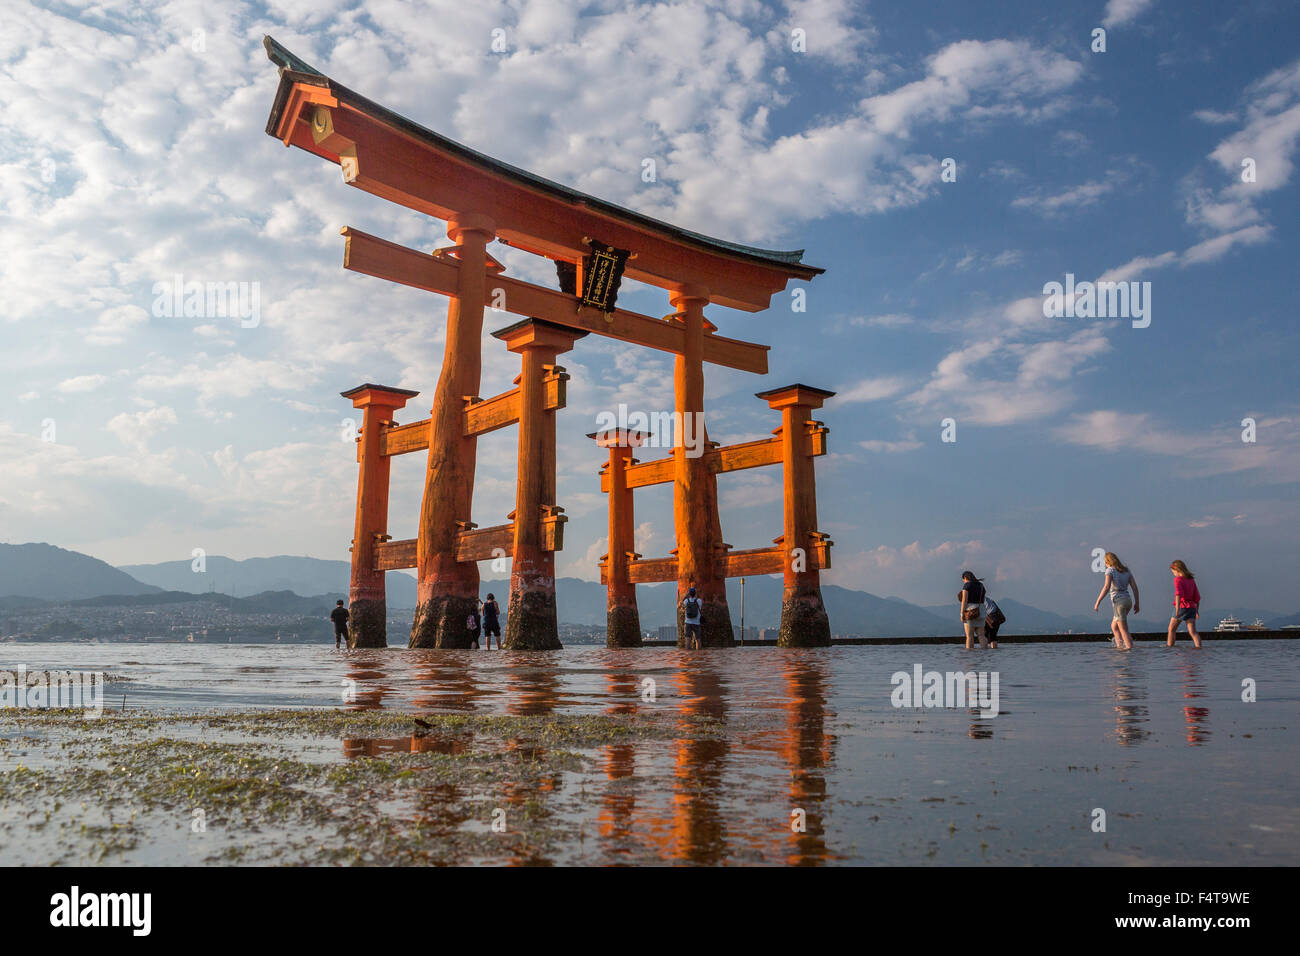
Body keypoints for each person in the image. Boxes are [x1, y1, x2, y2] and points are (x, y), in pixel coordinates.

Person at [1093, 552, 1139, 650]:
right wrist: (1137, 603)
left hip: (1119, 603)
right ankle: (1120, 647)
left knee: (1123, 629)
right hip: (1128, 601)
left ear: (1107, 562)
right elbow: (1135, 588)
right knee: (1114, 626)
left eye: (1105, 563)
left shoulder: (1110, 570)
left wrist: (1097, 602)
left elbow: (1106, 587)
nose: (1105, 565)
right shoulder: (1126, 571)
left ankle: (1130, 650)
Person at [1167, 559, 1203, 648]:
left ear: (1177, 570)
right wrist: (1197, 611)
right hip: (1191, 607)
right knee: (1193, 632)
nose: (1173, 574)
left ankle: (1169, 648)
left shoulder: (1178, 580)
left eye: (1173, 572)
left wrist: (1177, 610)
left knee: (1171, 629)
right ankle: (1199, 647)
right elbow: (1197, 597)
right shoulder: (1191, 580)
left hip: (1182, 607)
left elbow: (1178, 594)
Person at [959, 571, 988, 649]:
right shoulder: (981, 585)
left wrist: (962, 614)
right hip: (981, 610)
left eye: (963, 580)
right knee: (981, 635)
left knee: (969, 636)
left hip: (970, 611)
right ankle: (985, 652)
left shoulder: (967, 585)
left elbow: (964, 600)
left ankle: (969, 653)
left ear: (965, 578)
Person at [680, 585, 703, 650]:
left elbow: (682, 601)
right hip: (696, 623)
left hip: (688, 622)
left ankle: (688, 653)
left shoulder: (686, 601)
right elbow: (699, 599)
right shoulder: (699, 601)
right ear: (695, 593)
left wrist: (687, 594)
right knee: (698, 639)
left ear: (689, 593)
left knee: (688, 639)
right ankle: (698, 653)